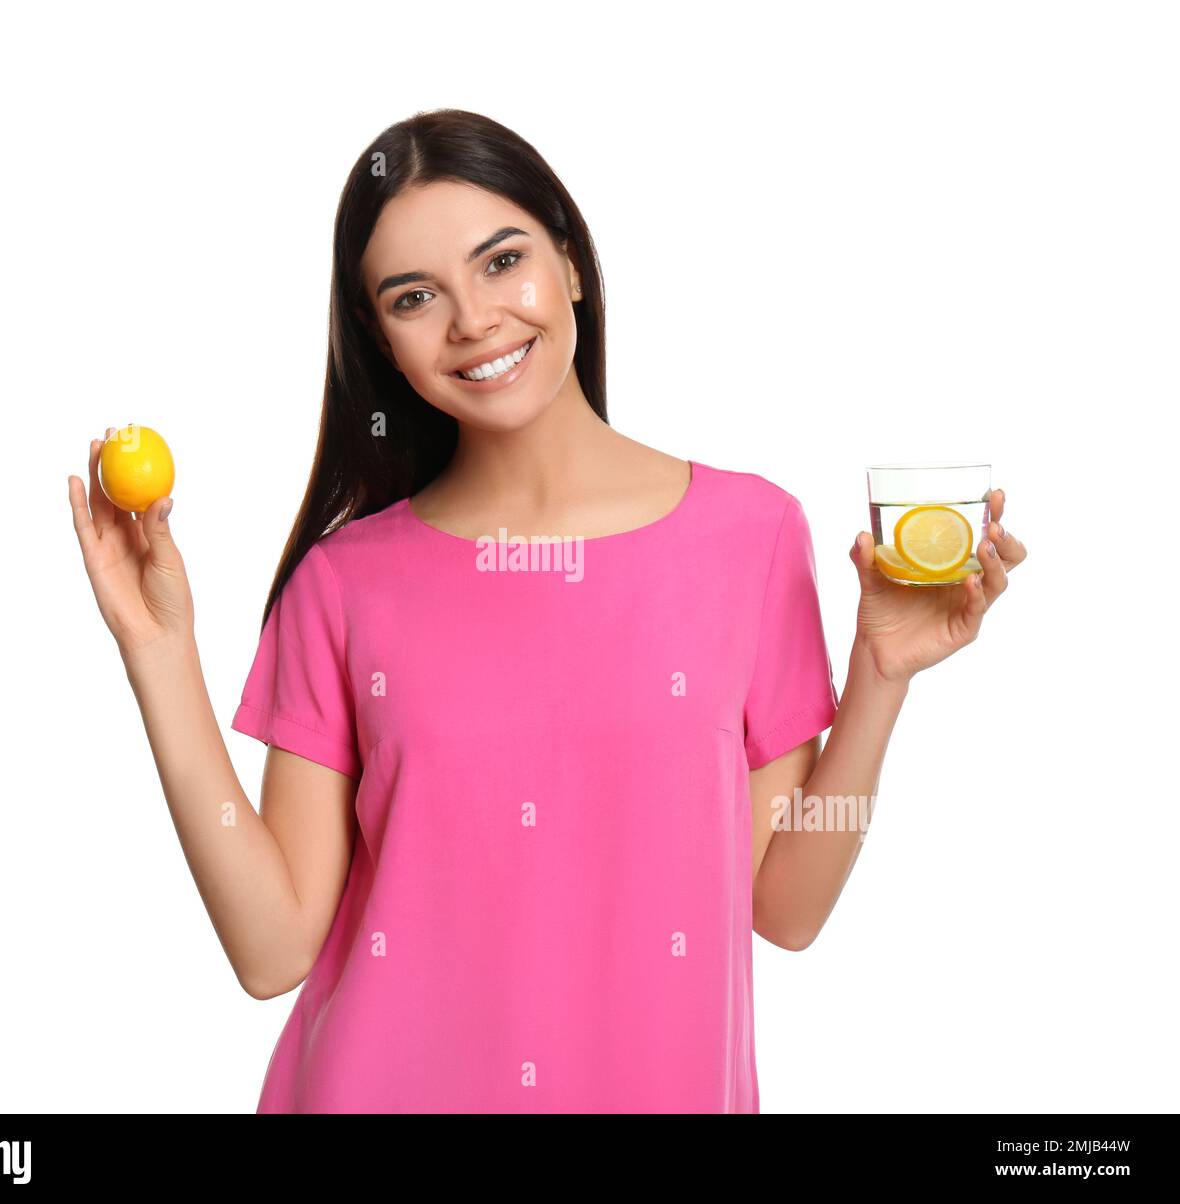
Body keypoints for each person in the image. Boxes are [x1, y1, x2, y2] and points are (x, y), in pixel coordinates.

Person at [68, 108, 1027, 1114]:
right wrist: (159, 650)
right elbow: (271, 953)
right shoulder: (344, 584)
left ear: (568, 262)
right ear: (383, 342)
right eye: (413, 296)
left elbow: (783, 908)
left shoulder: (750, 535)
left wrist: (877, 674)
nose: (473, 319)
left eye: (501, 260)